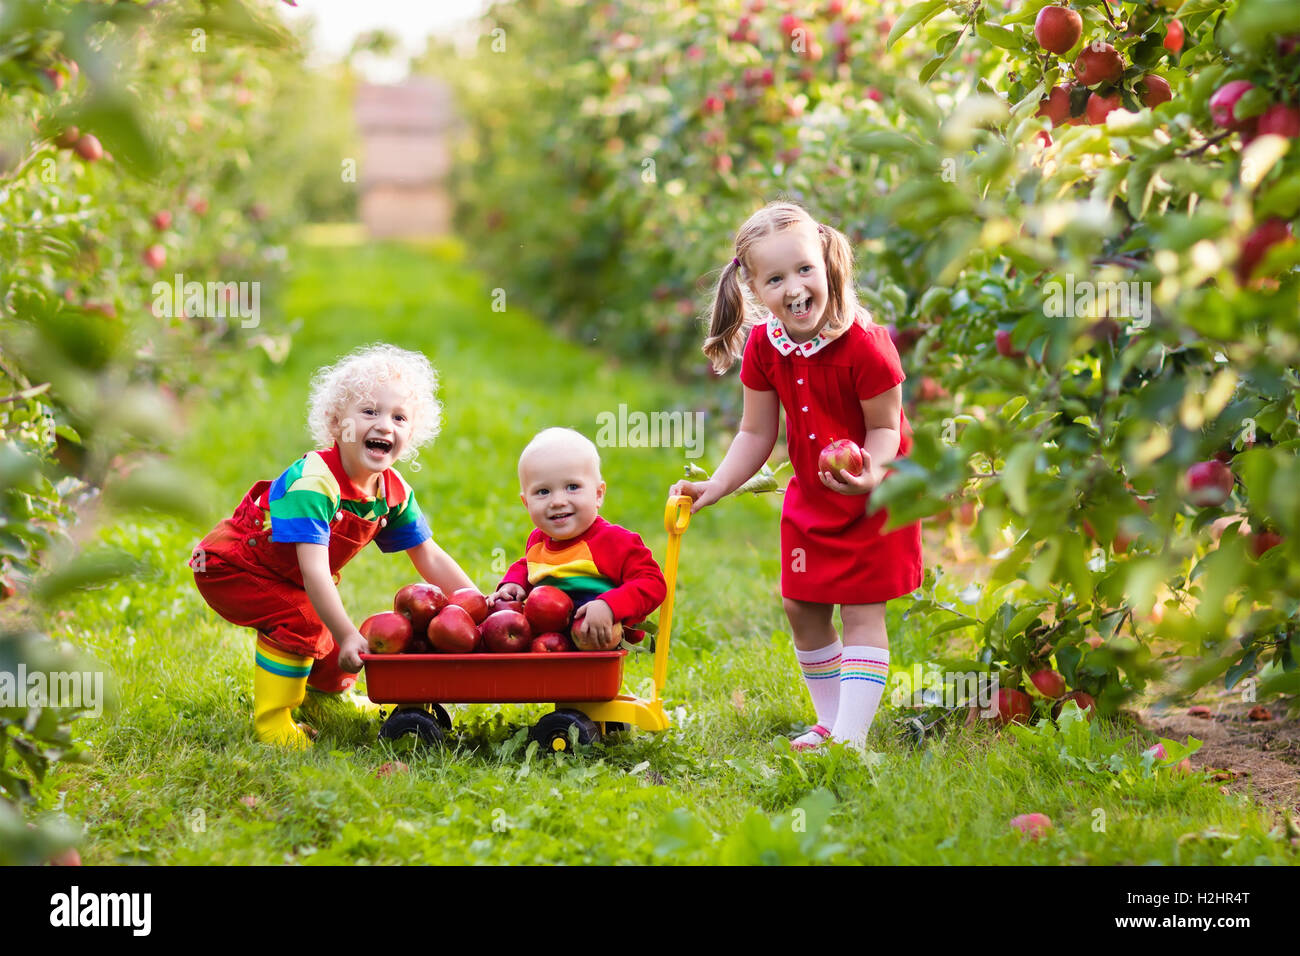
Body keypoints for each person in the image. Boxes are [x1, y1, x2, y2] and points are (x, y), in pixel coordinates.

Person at [669, 201, 922, 751]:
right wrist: (717, 484)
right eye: (776, 278)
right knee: (801, 607)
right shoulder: (766, 346)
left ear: (827, 264)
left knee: (860, 608)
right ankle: (829, 722)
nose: (795, 287)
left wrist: (871, 473)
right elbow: (756, 433)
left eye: (805, 269)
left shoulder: (866, 344)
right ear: (755, 290)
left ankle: (850, 741)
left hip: (875, 492)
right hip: (813, 498)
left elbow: (884, 428)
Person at [190, 343, 476, 748]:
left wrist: (474, 606)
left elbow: (428, 554)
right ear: (336, 422)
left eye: (398, 417)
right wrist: (346, 635)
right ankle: (273, 722)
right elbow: (314, 572)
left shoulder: (392, 492)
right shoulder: (314, 481)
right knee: (308, 619)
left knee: (319, 623)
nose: (384, 425)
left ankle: (326, 698)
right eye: (369, 412)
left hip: (286, 576)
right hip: (233, 567)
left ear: (411, 434)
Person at [489, 428, 666, 650]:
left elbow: (652, 583)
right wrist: (514, 582)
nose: (558, 501)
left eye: (572, 487)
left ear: (598, 494)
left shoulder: (613, 541)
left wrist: (610, 606)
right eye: (543, 492)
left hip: (593, 640)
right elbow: (530, 565)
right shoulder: (538, 540)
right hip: (547, 642)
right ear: (526, 503)